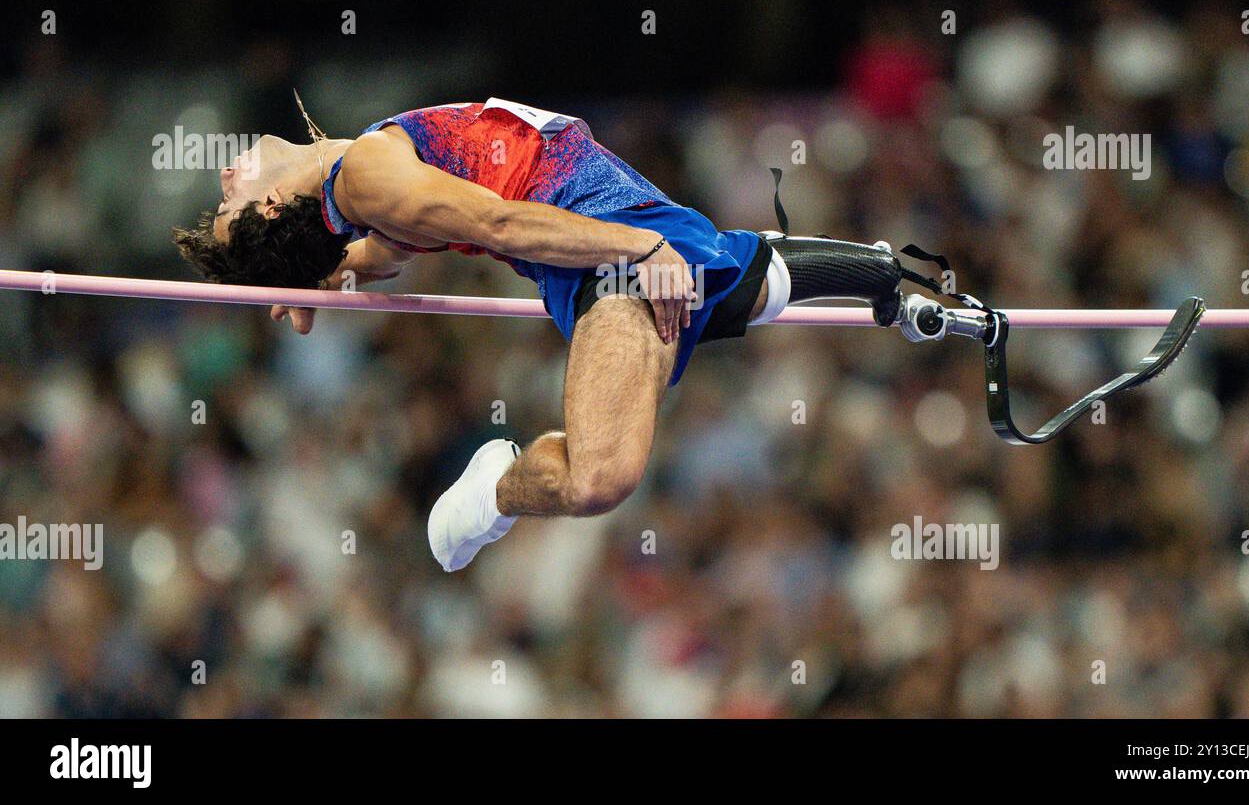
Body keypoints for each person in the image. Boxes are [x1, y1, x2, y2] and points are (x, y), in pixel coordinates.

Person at [174, 97, 904, 571]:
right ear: (270, 206)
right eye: (228, 204)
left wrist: (321, 277)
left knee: (785, 279)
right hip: (608, 255)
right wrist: (634, 249)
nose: (226, 179)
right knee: (600, 477)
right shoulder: (366, 178)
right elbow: (496, 221)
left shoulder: (360, 190)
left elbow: (388, 247)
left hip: (648, 229)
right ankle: (497, 486)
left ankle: (902, 285)